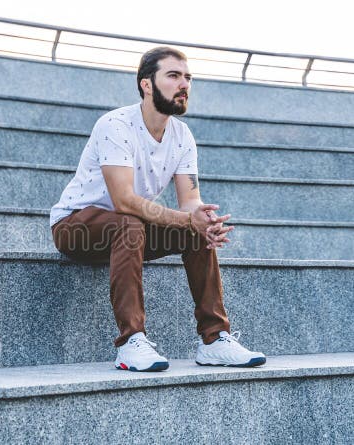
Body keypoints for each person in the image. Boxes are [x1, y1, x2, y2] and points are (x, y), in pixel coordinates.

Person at [50, 46, 265, 371]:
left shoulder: (182, 136)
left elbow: (190, 200)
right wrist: (186, 219)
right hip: (76, 228)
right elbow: (123, 200)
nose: (184, 85)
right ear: (146, 84)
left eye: (188, 78)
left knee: (195, 233)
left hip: (126, 232)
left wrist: (203, 220)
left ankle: (214, 339)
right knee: (130, 222)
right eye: (174, 76)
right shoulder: (116, 125)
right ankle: (131, 342)